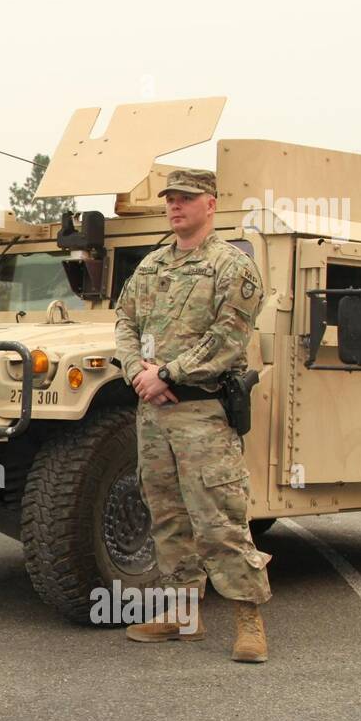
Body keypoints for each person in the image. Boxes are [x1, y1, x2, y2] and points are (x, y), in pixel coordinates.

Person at [113, 169, 271, 662]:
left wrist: (170, 374)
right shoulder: (152, 265)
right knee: (166, 514)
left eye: (186, 199)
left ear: (211, 204)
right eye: (171, 199)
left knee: (219, 517)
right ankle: (184, 614)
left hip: (201, 413)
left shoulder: (233, 268)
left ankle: (249, 620)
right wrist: (136, 370)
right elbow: (124, 321)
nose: (175, 206)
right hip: (154, 414)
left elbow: (228, 340)